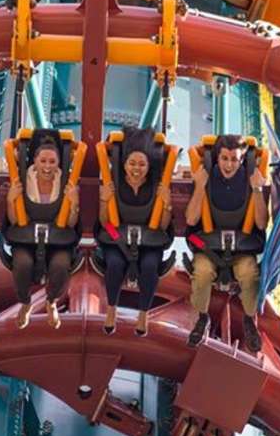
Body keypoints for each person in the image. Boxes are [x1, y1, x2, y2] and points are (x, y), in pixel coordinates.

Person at [185, 134, 268, 352]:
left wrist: (258, 190)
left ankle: (250, 319)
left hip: (242, 246)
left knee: (250, 273)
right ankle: (202, 317)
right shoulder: (206, 177)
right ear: (217, 158)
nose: (229, 165)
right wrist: (200, 187)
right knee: (202, 272)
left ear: (242, 160)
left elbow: (260, 222)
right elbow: (191, 219)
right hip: (209, 246)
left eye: (234, 159)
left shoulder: (251, 180)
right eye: (224, 159)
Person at [97, 127, 173, 336]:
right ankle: (111, 309)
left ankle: (143, 315)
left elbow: (164, 226)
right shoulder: (114, 184)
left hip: (149, 239)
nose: (136, 168)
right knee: (114, 264)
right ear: (124, 165)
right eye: (132, 163)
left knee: (149, 266)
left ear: (149, 166)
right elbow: (105, 222)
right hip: (117, 237)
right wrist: (104, 200)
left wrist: (167, 205)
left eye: (141, 164)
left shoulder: (157, 186)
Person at [5, 135, 79, 329]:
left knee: (61, 264)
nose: (47, 166)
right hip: (26, 237)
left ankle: (51, 301)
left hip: (58, 237)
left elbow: (71, 224)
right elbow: (13, 221)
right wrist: (10, 200)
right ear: (35, 161)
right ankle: (25, 302)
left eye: (52, 162)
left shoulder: (65, 182)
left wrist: (74, 203)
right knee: (22, 263)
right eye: (43, 161)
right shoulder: (23, 179)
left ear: (59, 163)